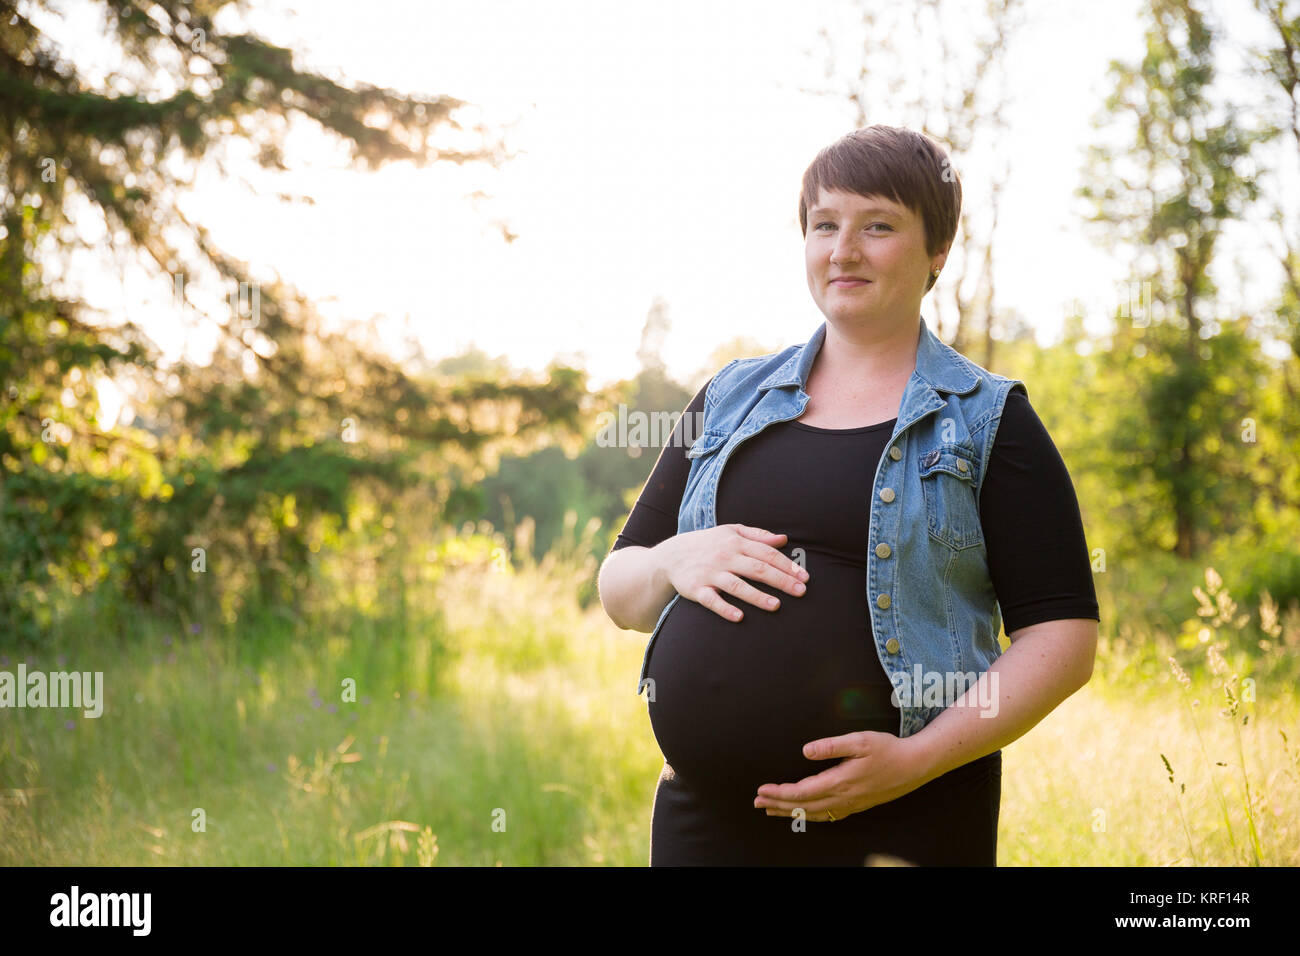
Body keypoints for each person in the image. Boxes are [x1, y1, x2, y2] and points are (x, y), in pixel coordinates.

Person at [596, 125, 1100, 866]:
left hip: (907, 818)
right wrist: (674, 558)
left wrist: (916, 759)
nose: (844, 250)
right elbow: (619, 590)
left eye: (879, 226)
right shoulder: (728, 397)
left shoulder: (989, 419)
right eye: (824, 224)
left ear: (937, 252)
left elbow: (1064, 641)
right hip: (707, 824)